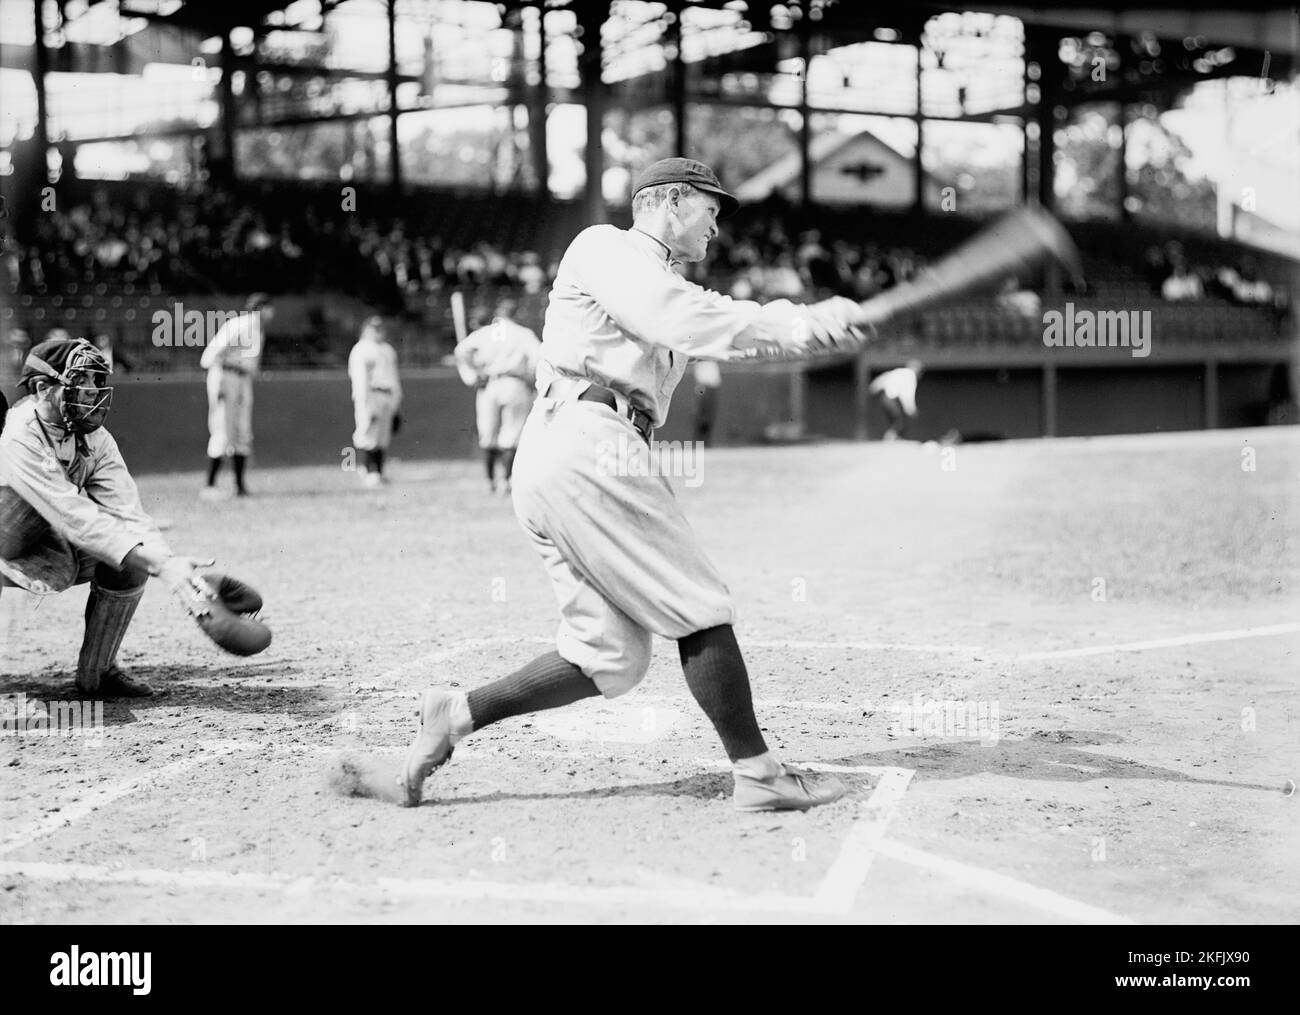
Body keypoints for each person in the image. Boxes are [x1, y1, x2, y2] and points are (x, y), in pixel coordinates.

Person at [393, 157, 867, 812]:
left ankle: (457, 712)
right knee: (698, 603)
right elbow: (682, 317)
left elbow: (720, 330)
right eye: (710, 209)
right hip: (588, 438)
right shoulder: (606, 248)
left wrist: (813, 325)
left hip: (573, 450)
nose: (717, 227)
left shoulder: (659, 282)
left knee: (610, 655)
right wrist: (796, 320)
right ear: (670, 201)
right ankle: (758, 772)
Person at [0, 338, 212, 697]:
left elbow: (129, 515)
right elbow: (74, 516)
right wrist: (162, 565)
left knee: (129, 559)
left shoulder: (96, 439)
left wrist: (167, 563)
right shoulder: (19, 433)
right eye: (82, 380)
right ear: (42, 388)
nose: (94, 391)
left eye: (97, 382)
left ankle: (97, 674)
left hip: (42, 544)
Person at [454, 298, 541, 496]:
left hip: (489, 383)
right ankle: (505, 480)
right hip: (514, 382)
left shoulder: (486, 332)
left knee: (488, 433)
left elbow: (461, 351)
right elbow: (539, 356)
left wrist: (473, 375)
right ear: (516, 313)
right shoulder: (522, 333)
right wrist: (531, 376)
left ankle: (489, 480)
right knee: (511, 432)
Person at [201, 293, 272, 498]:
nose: (271, 312)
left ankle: (239, 486)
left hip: (243, 379)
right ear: (259, 308)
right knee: (222, 428)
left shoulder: (258, 330)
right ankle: (210, 485)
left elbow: (251, 362)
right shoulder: (239, 325)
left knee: (242, 431)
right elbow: (210, 356)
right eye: (267, 307)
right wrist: (221, 384)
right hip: (226, 374)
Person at [347, 316, 403, 487]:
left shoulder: (387, 350)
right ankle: (368, 470)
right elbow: (360, 379)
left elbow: (394, 377)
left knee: (383, 436)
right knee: (369, 432)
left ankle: (378, 471)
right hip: (371, 394)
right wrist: (365, 402)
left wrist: (397, 401)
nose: (378, 333)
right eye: (374, 329)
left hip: (387, 394)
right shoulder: (361, 350)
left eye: (380, 329)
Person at [869, 359, 924, 441]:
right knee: (899, 423)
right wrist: (910, 408)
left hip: (884, 399)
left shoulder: (900, 371)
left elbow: (884, 377)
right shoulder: (910, 375)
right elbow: (907, 393)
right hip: (890, 399)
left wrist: (874, 387)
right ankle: (889, 440)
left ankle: (894, 440)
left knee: (897, 423)